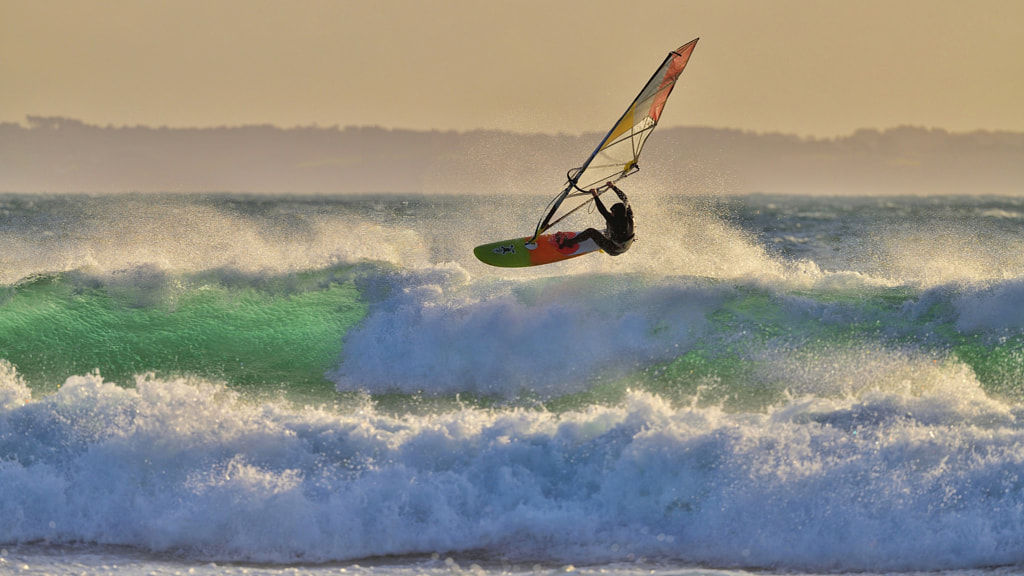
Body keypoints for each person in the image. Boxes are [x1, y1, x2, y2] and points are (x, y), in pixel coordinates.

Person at [558, 182, 634, 256]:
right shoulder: (629, 215)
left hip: (613, 250)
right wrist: (614, 187)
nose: (611, 214)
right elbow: (625, 199)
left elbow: (602, 210)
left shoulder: (615, 222)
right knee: (612, 226)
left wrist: (595, 196)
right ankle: (607, 235)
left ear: (617, 214)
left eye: (612, 213)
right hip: (624, 245)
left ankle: (568, 243)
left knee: (591, 232)